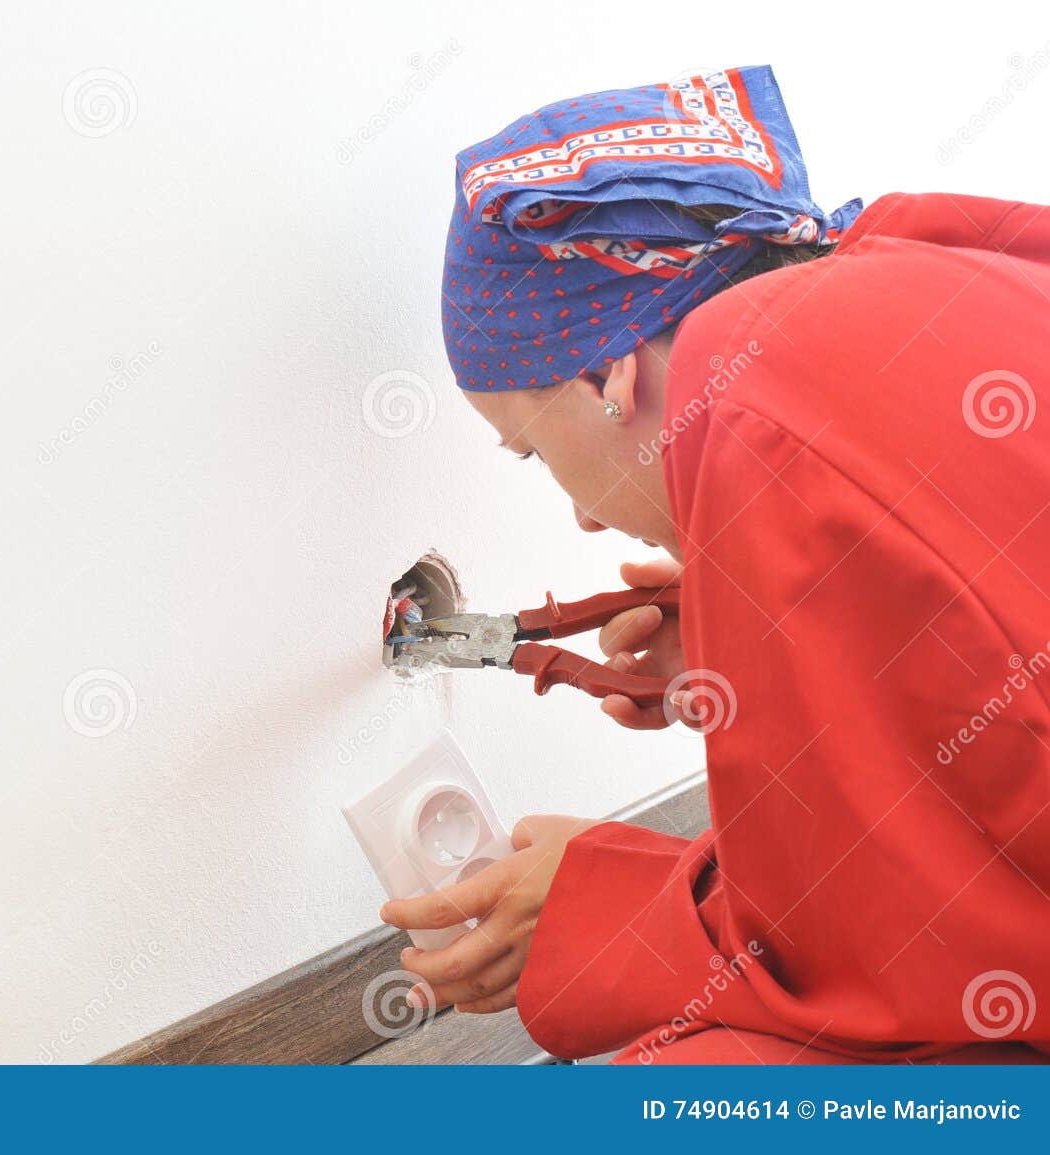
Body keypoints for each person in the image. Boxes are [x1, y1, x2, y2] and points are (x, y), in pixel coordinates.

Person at [381, 65, 1050, 1063]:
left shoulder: (750, 392)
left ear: (604, 375)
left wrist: (599, 907)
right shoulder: (912, 257)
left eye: (531, 449)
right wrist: (810, 642)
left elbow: (904, 971)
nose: (581, 517)